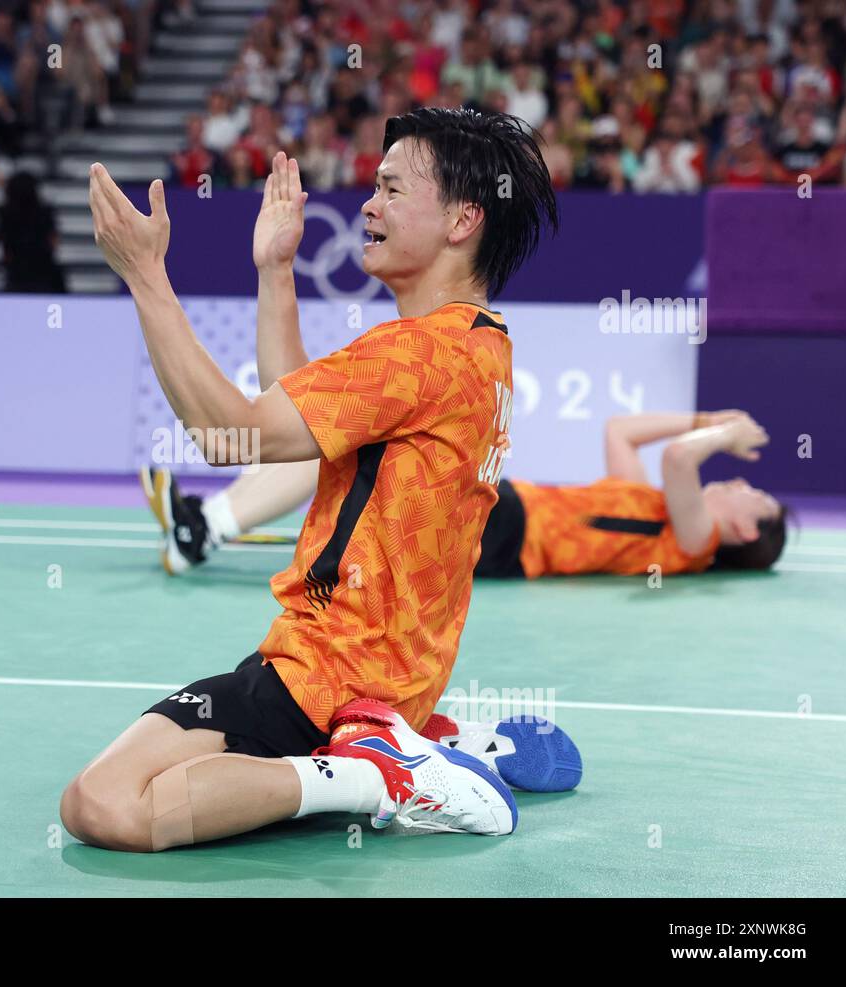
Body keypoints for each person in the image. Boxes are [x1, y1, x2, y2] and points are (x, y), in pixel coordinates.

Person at [61, 108, 564, 853]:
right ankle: (423, 739)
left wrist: (144, 276)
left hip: (326, 673)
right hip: (391, 673)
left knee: (101, 805)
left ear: (464, 219)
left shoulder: (418, 355)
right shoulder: (479, 347)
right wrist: (275, 271)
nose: (369, 204)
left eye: (393, 188)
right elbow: (294, 428)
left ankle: (380, 775)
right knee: (157, 787)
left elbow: (229, 433)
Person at [143, 411, 786, 580]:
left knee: (360, 444)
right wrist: (708, 418)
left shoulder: (693, 543)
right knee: (350, 449)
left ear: (745, 533)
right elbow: (622, 430)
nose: (741, 482)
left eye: (753, 497)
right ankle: (205, 521)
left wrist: (722, 434)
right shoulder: (645, 504)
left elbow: (679, 458)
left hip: (506, 535)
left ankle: (208, 526)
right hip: (500, 506)